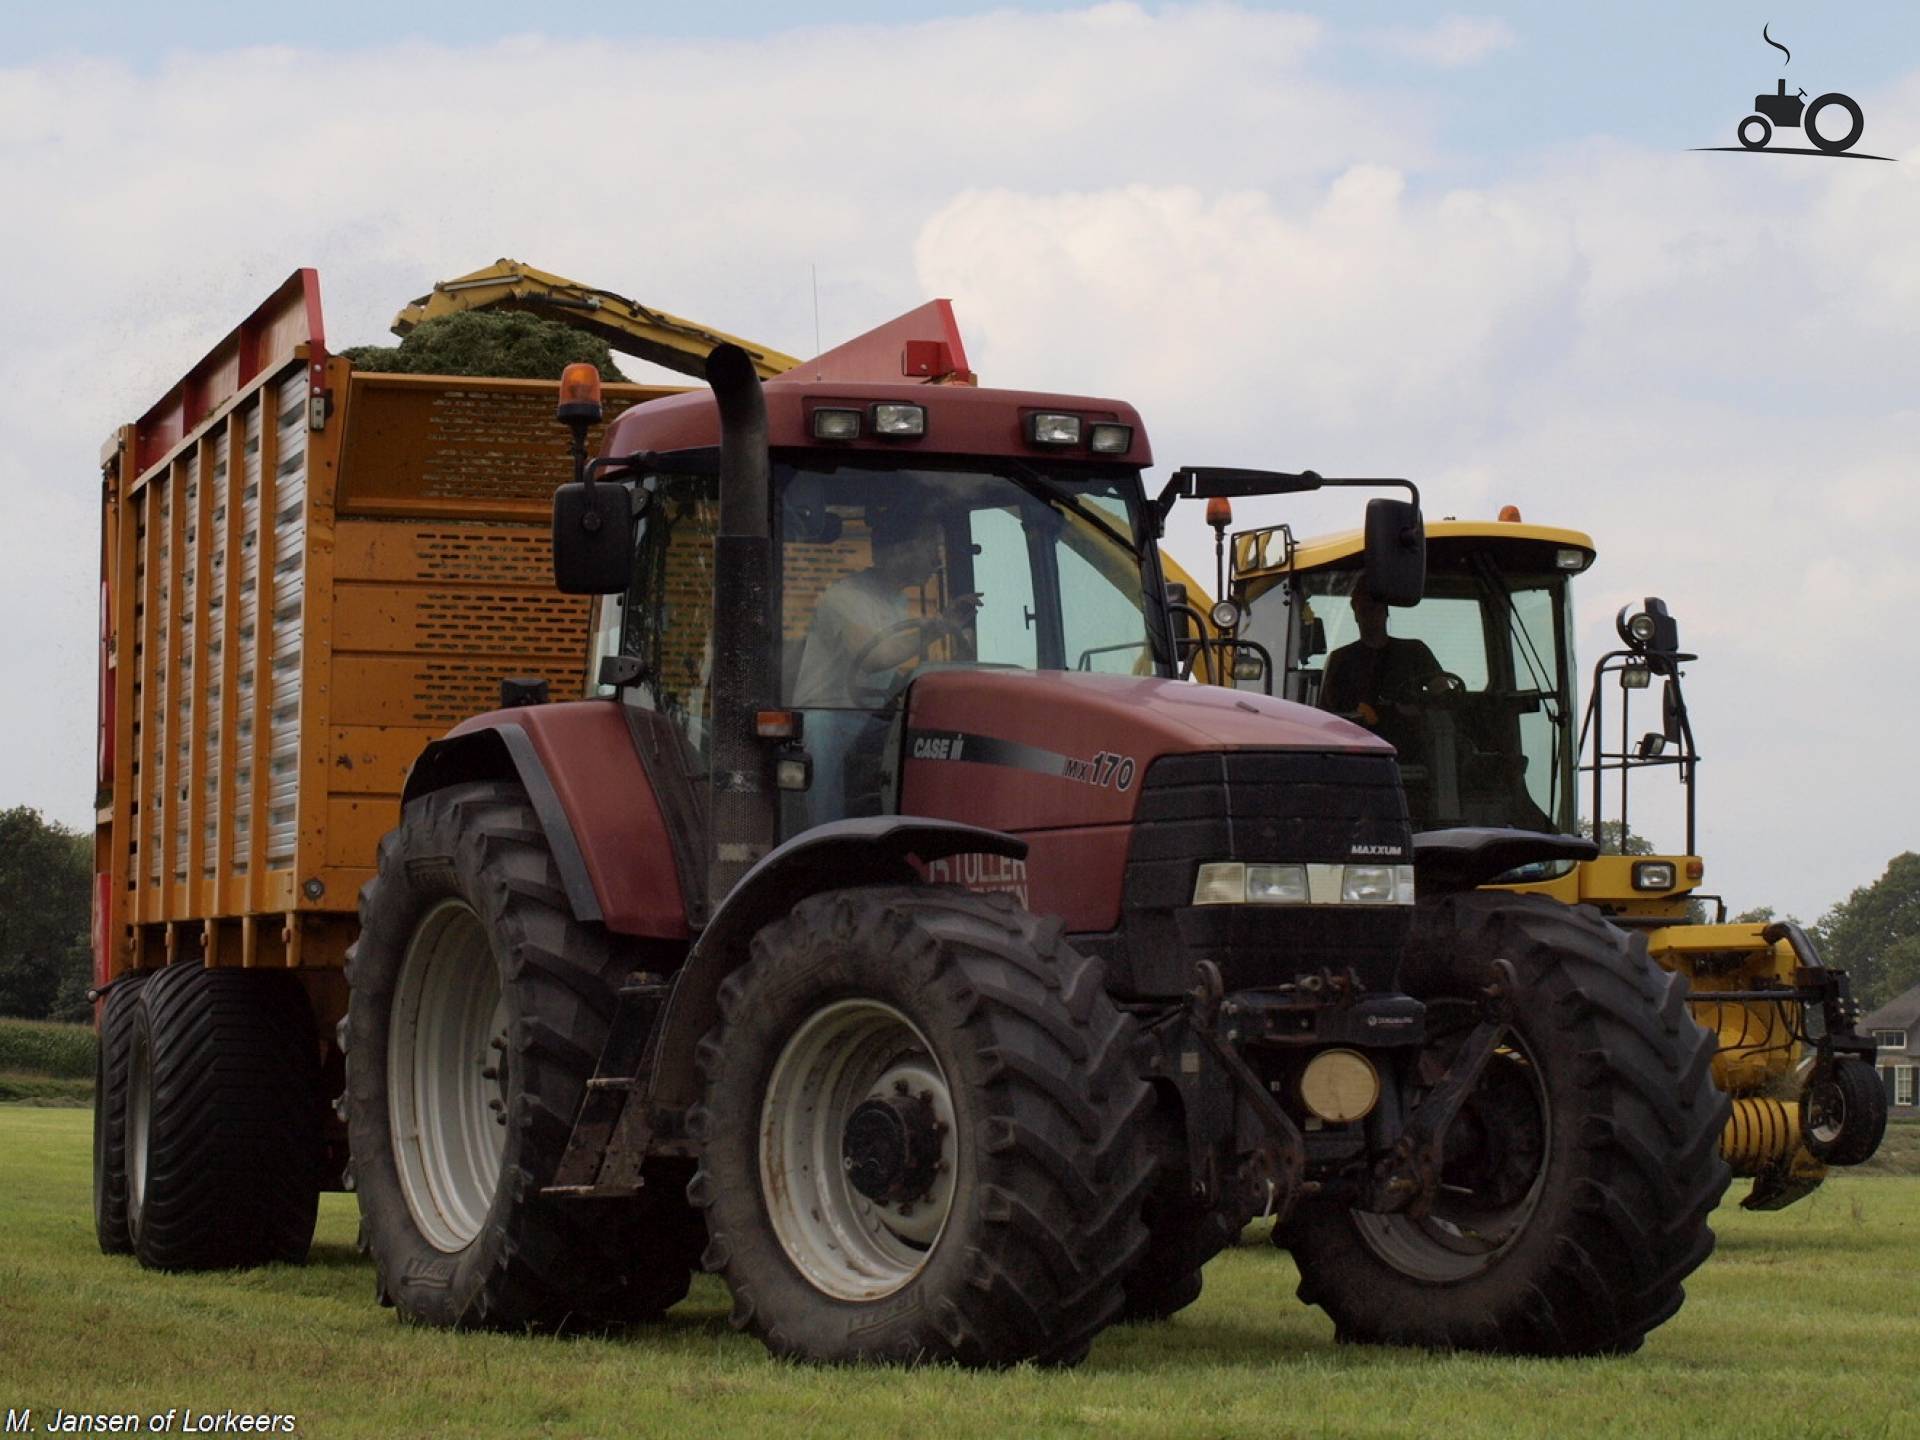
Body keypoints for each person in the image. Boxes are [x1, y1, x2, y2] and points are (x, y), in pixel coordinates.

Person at [792, 500, 981, 710]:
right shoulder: (848, 595)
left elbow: (879, 674)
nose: (938, 561)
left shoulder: (897, 600)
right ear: (900, 550)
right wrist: (938, 627)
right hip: (825, 719)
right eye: (931, 548)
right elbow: (874, 659)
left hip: (865, 717)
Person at [1318, 591, 1443, 728]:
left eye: (1375, 607)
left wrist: (1419, 706)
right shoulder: (1339, 660)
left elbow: (1442, 692)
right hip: (1357, 741)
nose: (1371, 615)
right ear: (1356, 615)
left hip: (1411, 741)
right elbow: (1328, 712)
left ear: (1386, 612)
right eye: (1364, 609)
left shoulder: (1415, 651)